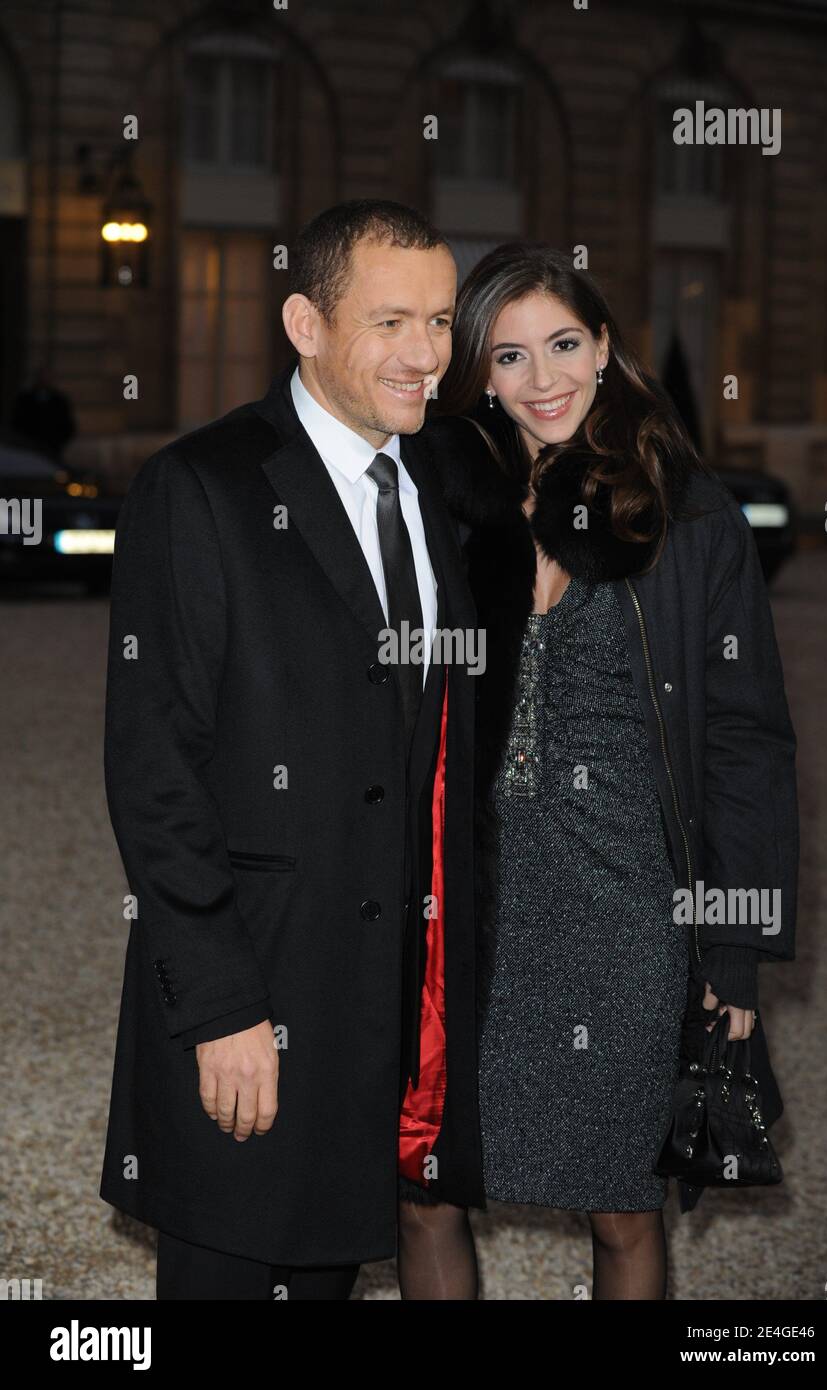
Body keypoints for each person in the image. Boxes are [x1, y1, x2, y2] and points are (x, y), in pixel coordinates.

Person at [99, 200, 485, 1300]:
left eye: (443, 322)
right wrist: (219, 1007)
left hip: (379, 1011)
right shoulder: (201, 489)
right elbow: (153, 768)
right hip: (253, 993)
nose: (426, 354)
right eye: (392, 322)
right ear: (304, 324)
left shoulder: (438, 488)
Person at [404, 242, 798, 1299]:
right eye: (510, 355)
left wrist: (732, 958)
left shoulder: (688, 516)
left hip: (628, 900)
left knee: (619, 1199)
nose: (543, 381)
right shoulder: (440, 506)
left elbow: (745, 741)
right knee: (425, 1182)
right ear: (476, 374)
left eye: (564, 345)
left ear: (607, 347)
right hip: (467, 893)